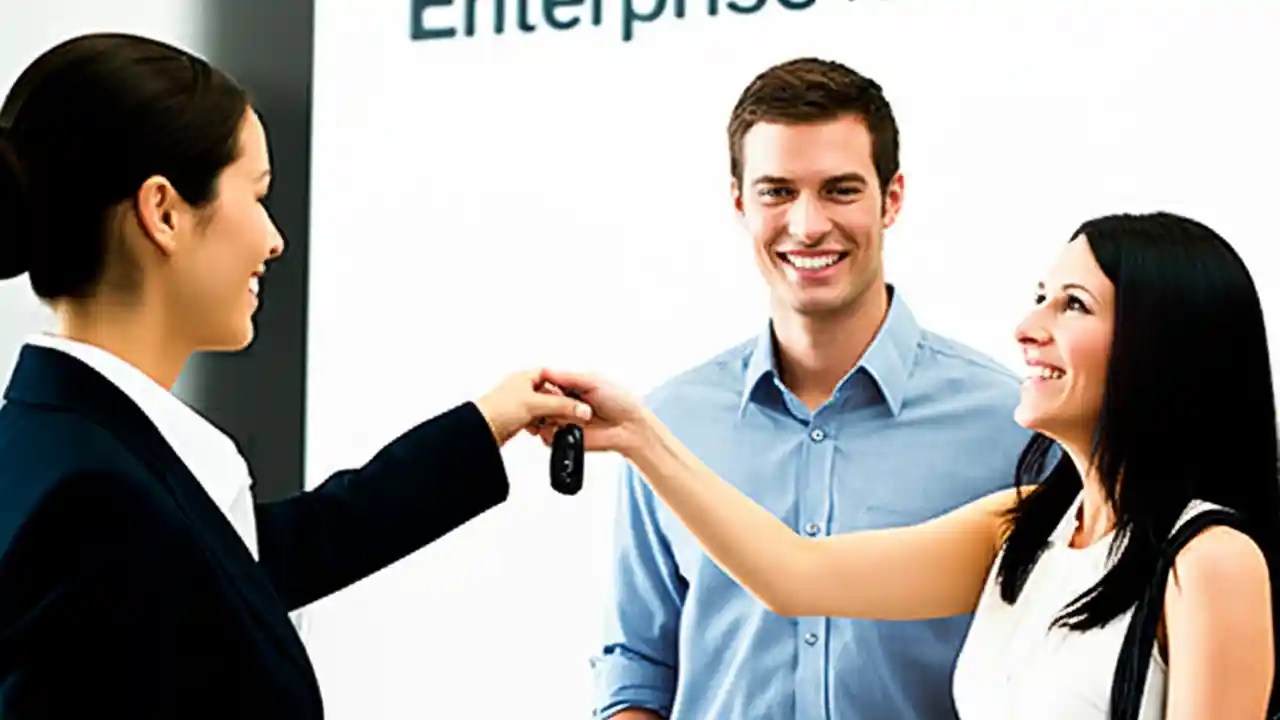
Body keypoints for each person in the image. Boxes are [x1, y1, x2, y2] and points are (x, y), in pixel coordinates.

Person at [0, 33, 593, 718]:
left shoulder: (73, 455)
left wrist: (487, 425)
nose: (274, 238)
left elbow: (270, 556)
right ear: (163, 212)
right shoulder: (98, 502)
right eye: (257, 195)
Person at [541, 211, 1280, 718]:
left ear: (1161, 347)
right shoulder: (1022, 531)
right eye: (1038, 298)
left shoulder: (1209, 563)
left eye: (1073, 306)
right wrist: (641, 436)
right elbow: (794, 576)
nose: (1027, 328)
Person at [590, 57, 1033, 720]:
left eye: (839, 190)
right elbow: (637, 666)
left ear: (893, 198)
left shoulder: (1013, 426)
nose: (807, 225)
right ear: (739, 201)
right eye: (776, 191)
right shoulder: (668, 427)